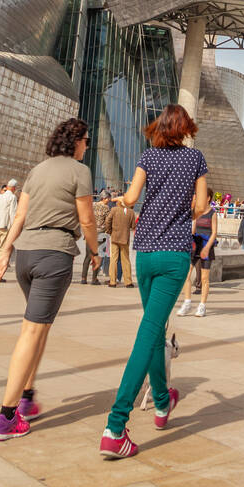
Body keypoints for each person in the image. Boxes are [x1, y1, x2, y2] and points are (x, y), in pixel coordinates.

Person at [101, 103, 209, 458]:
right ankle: (116, 426)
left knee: (155, 331)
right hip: (175, 255)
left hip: (144, 253)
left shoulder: (148, 156)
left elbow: (131, 199)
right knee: (148, 336)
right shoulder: (195, 160)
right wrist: (181, 208)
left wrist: (122, 197)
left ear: (159, 128)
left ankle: (162, 403)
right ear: (185, 128)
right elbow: (201, 207)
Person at [0, 117, 98, 440]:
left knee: (38, 327)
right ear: (75, 141)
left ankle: (27, 398)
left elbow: (20, 216)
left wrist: (6, 252)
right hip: (54, 254)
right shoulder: (80, 172)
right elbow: (87, 218)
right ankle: (6, 417)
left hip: (25, 254)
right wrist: (94, 251)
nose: (87, 146)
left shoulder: (37, 170)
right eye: (86, 141)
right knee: (33, 330)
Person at [178, 188, 218, 318]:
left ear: (208, 198)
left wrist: (207, 248)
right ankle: (187, 302)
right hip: (195, 246)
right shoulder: (196, 212)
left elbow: (214, 233)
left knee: (204, 278)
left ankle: (202, 306)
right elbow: (192, 230)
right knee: (186, 274)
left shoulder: (213, 214)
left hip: (206, 246)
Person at [103, 196, 136, 288]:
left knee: (114, 259)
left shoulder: (114, 210)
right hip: (125, 238)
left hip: (114, 237)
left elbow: (107, 220)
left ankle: (113, 282)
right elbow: (133, 225)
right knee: (125, 260)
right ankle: (128, 282)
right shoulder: (131, 212)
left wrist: (109, 231)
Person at [81, 190, 110, 284]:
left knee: (87, 257)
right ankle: (94, 279)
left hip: (90, 233)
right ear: (104, 198)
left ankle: (83, 278)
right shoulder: (106, 208)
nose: (109, 200)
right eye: (108, 199)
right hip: (101, 234)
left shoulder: (92, 205)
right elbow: (108, 222)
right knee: (98, 256)